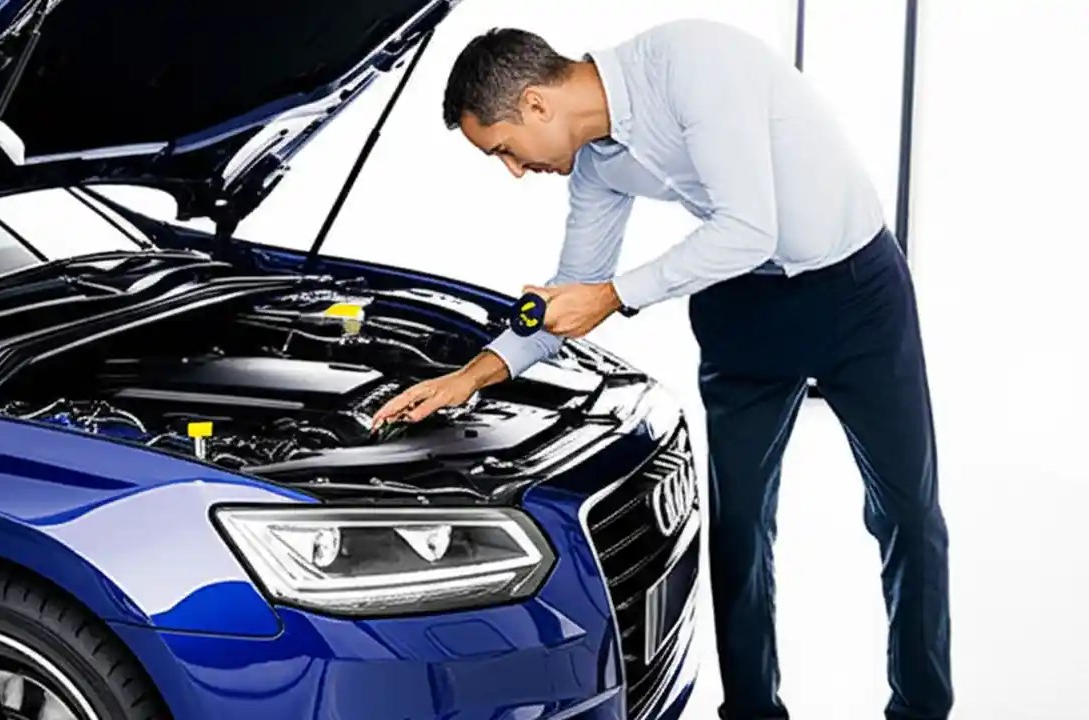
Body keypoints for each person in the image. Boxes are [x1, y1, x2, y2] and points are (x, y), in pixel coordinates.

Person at [368, 17, 952, 720]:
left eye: (505, 151)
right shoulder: (593, 166)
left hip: (859, 291)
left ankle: (921, 709)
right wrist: (471, 375)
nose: (516, 171)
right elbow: (572, 287)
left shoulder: (692, 62)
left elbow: (748, 225)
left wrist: (612, 299)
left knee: (907, 513)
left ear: (534, 105)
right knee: (739, 526)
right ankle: (751, 713)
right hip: (744, 305)